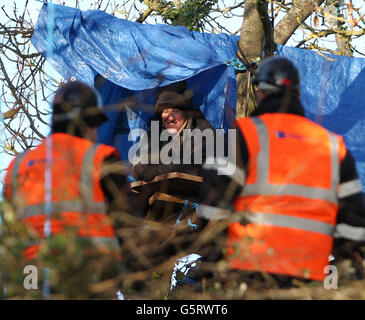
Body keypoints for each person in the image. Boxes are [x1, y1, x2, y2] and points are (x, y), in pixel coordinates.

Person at [198, 56, 365, 288]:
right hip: (309, 278)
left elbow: (212, 207)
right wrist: (343, 276)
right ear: (297, 95)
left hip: (248, 272)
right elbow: (354, 224)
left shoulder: (240, 136)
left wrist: (213, 264)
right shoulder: (333, 146)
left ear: (261, 93)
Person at [3, 81, 135, 260]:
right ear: (90, 123)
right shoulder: (101, 157)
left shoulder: (18, 164)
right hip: (85, 270)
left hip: (30, 273)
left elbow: (9, 229)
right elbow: (126, 226)